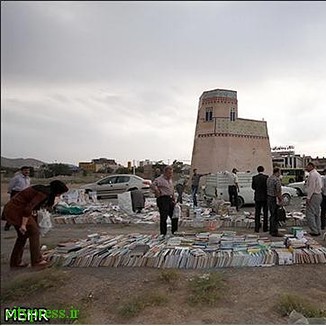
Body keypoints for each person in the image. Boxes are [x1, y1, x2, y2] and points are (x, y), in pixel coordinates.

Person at [2, 180, 69, 268]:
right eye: (60, 193)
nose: (59, 196)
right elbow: (28, 208)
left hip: (13, 209)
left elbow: (34, 208)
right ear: (57, 191)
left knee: (22, 236)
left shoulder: (43, 190)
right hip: (17, 210)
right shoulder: (43, 193)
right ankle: (37, 261)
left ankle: (15, 262)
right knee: (34, 232)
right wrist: (23, 224)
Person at [151, 166, 177, 237]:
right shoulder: (159, 179)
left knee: (174, 216)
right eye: (169, 173)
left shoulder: (170, 180)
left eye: (171, 173)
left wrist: (173, 197)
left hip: (170, 199)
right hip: (163, 199)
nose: (170, 175)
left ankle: (174, 231)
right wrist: (156, 190)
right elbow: (152, 185)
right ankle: (163, 233)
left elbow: (172, 189)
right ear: (165, 172)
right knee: (164, 217)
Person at [4, 166, 31, 231]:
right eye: (25, 170)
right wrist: (12, 194)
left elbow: (28, 187)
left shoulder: (28, 179)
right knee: (14, 210)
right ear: (22, 171)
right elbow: (11, 186)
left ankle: (22, 224)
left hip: (25, 195)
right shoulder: (17, 178)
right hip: (16, 194)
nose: (27, 172)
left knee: (24, 210)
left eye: (28, 170)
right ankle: (8, 224)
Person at [305, 162, 323, 236]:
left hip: (313, 195)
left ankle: (314, 230)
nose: (306, 168)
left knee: (310, 214)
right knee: (317, 214)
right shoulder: (318, 174)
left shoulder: (312, 175)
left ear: (311, 166)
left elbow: (311, 187)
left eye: (307, 166)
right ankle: (318, 229)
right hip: (319, 194)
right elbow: (321, 185)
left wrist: (308, 197)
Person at [266, 167, 283, 237]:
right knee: (275, 215)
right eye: (280, 172)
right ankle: (275, 231)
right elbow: (277, 190)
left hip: (269, 197)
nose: (280, 174)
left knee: (272, 214)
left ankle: (271, 230)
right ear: (277, 172)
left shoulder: (269, 178)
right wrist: (280, 199)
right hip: (274, 198)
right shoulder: (276, 180)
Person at [251, 166, 269, 233]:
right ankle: (265, 228)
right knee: (265, 213)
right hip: (265, 197)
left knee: (257, 213)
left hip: (257, 197)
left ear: (257, 170)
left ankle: (257, 228)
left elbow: (253, 187)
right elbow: (268, 187)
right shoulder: (266, 177)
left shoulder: (254, 178)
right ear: (263, 170)